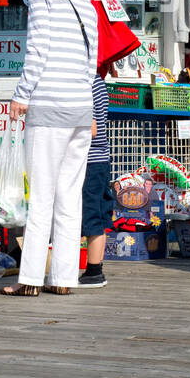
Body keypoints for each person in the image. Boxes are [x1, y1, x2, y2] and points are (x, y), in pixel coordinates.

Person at [4, 0, 98, 296]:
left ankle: (29, 279)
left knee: (41, 197)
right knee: (69, 198)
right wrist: (86, 108)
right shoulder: (84, 4)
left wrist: (21, 95)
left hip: (49, 107)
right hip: (79, 108)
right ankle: (63, 278)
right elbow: (91, 64)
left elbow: (37, 51)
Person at [78, 74, 113, 287]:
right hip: (100, 159)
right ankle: (95, 269)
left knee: (91, 214)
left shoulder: (88, 84)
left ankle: (93, 270)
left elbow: (92, 128)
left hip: (89, 159)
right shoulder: (98, 83)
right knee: (98, 214)